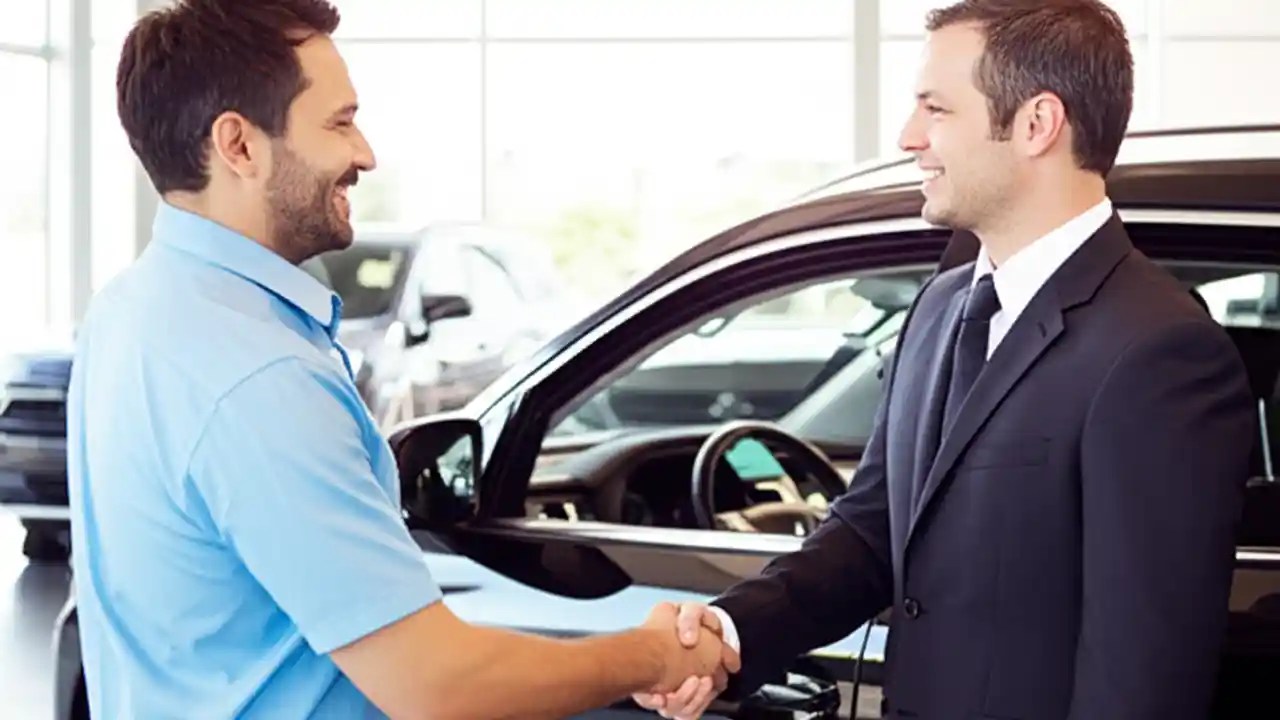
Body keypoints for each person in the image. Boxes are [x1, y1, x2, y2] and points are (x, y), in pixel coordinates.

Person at [66, 1, 736, 718]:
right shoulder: (259, 378)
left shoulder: (128, 312)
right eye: (338, 121)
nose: (365, 153)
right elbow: (438, 685)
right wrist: (653, 653)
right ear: (239, 146)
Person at [637, 1, 1255, 718]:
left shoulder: (1159, 353)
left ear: (1036, 124)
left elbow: (1140, 679)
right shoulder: (941, 307)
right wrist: (730, 633)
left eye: (936, 109)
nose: (908, 137)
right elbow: (874, 531)